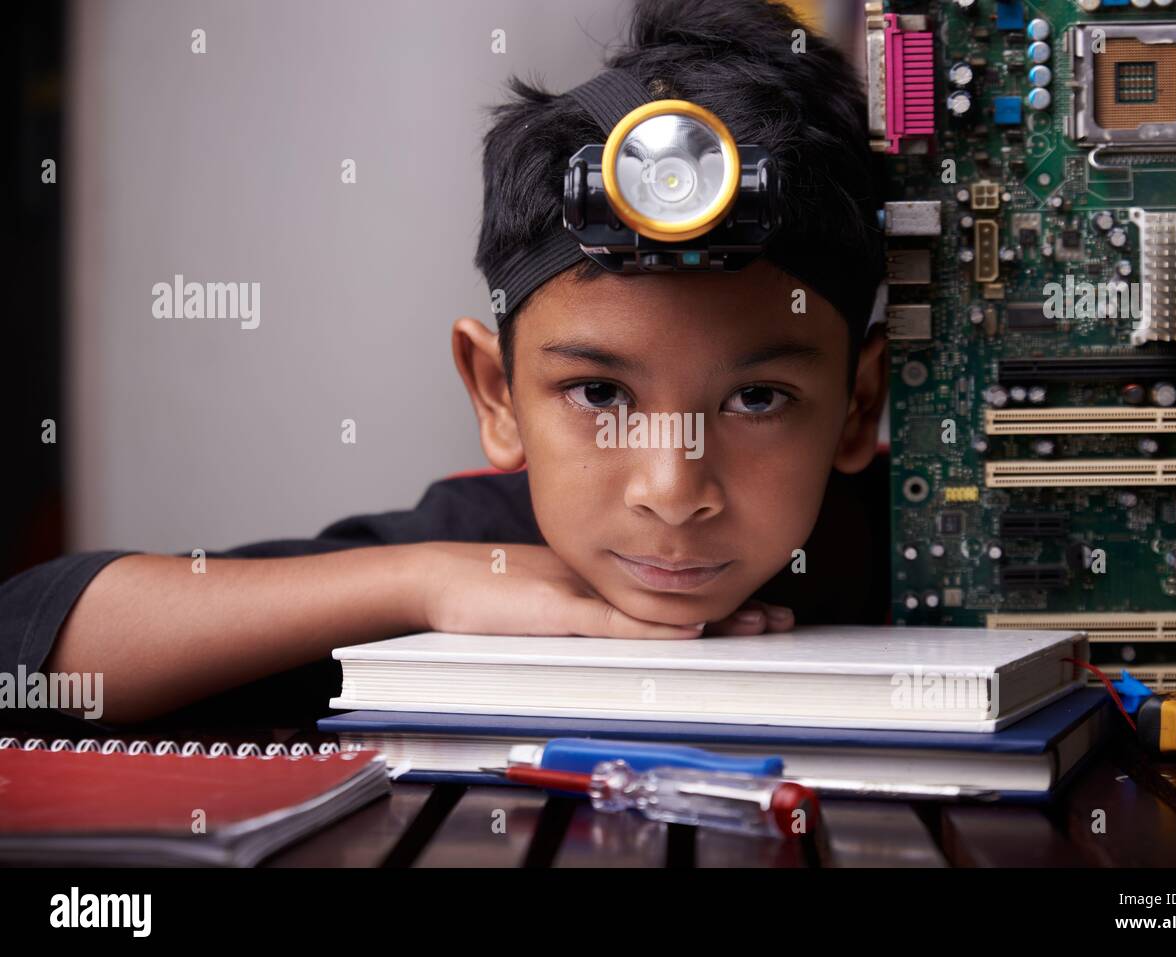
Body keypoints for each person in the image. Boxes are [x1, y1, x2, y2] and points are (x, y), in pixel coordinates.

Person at [0, 0, 889, 730]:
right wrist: (422, 582)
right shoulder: (476, 548)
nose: (671, 484)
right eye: (599, 392)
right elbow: (24, 648)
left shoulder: (944, 545)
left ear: (857, 407)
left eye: (758, 397)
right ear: (497, 394)